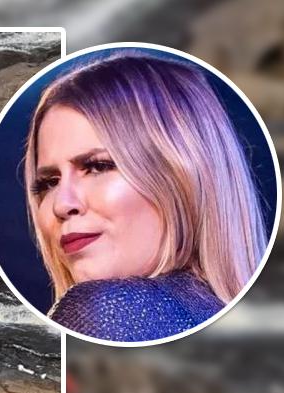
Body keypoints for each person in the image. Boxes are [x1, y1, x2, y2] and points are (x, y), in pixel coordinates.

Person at [23, 52, 267, 342]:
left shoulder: (107, 311)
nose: (63, 205)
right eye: (48, 183)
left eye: (99, 166)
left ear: (182, 177)